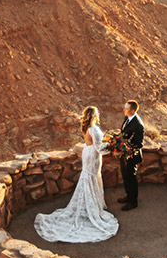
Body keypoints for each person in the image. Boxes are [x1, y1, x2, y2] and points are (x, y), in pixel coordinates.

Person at [34, 106, 119, 243]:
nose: (99, 114)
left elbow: (93, 143)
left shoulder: (86, 128)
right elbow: (99, 148)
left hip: (87, 153)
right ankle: (92, 208)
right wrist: (112, 146)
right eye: (97, 113)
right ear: (93, 115)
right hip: (93, 156)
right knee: (91, 177)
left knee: (88, 177)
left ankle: (88, 204)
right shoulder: (94, 129)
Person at [117, 99, 144, 210]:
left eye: (126, 108)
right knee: (125, 176)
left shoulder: (138, 124)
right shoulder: (127, 118)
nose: (124, 110)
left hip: (131, 156)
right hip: (124, 155)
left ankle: (133, 202)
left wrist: (127, 151)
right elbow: (124, 134)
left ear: (132, 110)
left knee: (131, 178)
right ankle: (128, 196)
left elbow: (139, 144)